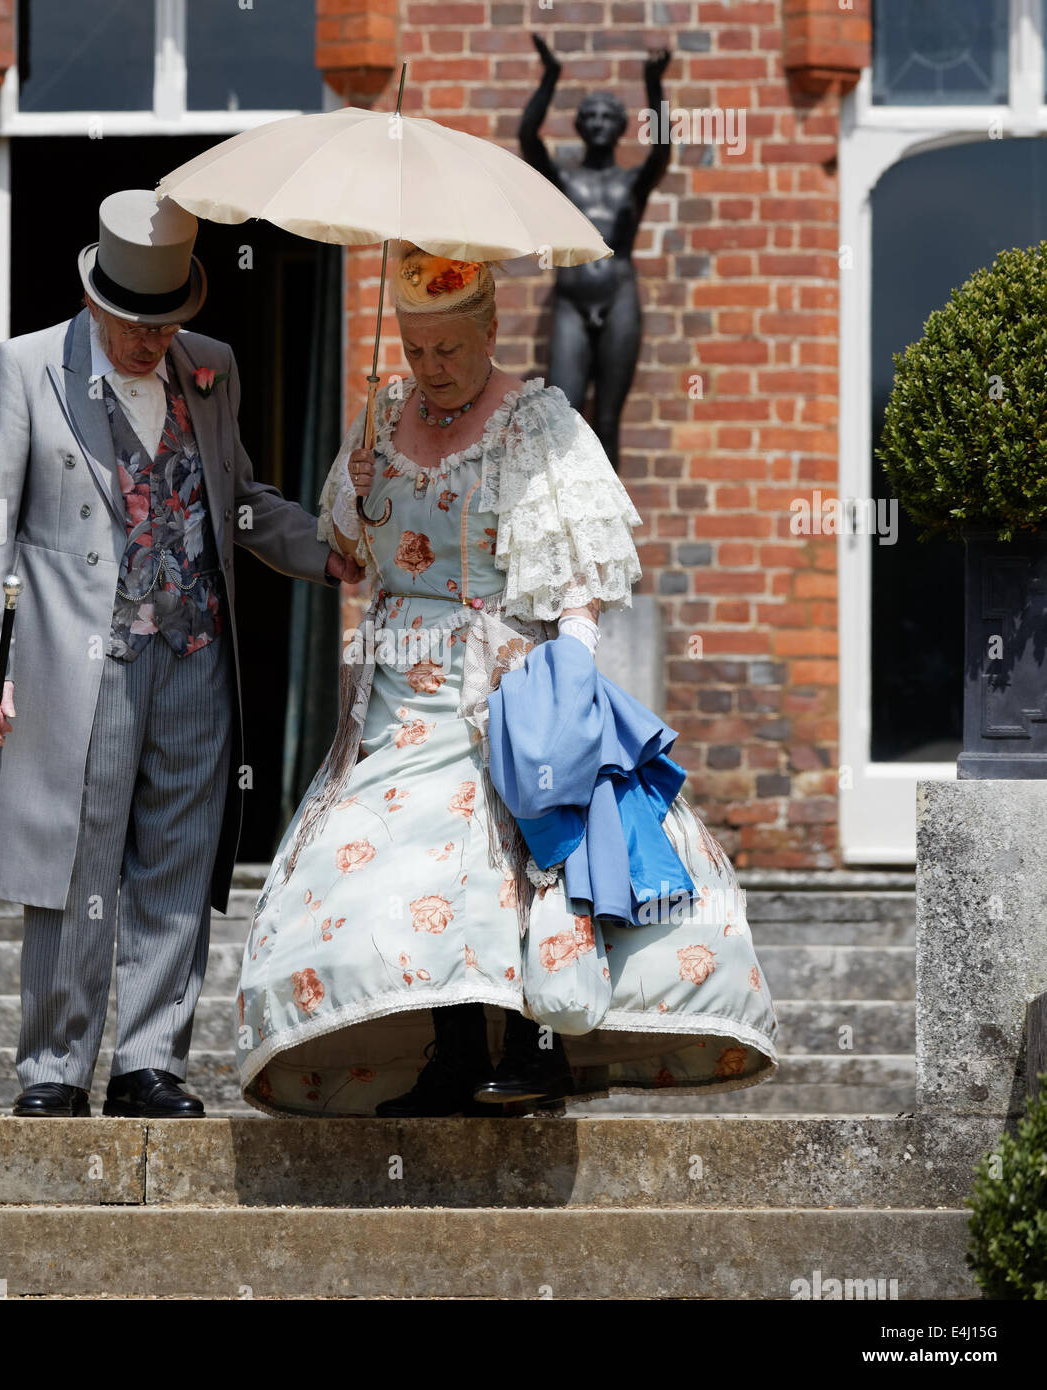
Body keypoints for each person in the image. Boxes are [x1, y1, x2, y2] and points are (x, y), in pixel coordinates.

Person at [233, 243, 778, 1117]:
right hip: (395, 690)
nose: (431, 367)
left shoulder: (536, 419)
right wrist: (360, 495)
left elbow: (575, 575)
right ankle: (450, 1055)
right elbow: (352, 558)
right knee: (406, 867)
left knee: (512, 858)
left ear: (490, 329)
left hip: (504, 683)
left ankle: (529, 1050)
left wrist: (572, 672)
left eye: (448, 348)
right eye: (415, 349)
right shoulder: (379, 417)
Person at [0, 189, 361, 1119]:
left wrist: (325, 552)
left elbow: (239, 498)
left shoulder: (210, 369)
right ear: (96, 297)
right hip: (78, 658)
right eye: (135, 321)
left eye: (167, 320)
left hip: (195, 656)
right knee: (75, 861)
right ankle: (54, 1069)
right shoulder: (24, 371)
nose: (151, 339)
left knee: (179, 859)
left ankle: (148, 1062)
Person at [519, 38, 673, 472]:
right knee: (561, 414)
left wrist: (653, 84)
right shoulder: (564, 181)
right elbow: (528, 137)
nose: (600, 122)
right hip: (571, 302)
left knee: (607, 420)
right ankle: (558, 518)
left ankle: (610, 529)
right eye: (591, 116)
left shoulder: (632, 185)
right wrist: (550, 76)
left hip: (619, 297)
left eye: (608, 116)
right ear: (580, 126)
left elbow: (662, 151)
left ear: (622, 126)